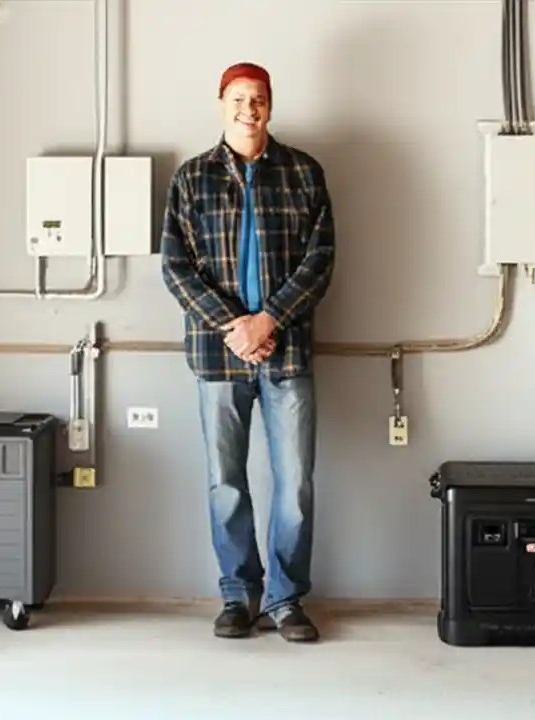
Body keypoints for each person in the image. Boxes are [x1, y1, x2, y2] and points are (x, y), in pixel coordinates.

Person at [160, 62, 336, 642]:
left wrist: (268, 320)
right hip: (218, 355)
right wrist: (234, 327)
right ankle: (238, 595)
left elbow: (320, 260)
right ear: (221, 104)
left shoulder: (303, 173)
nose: (248, 108)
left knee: (296, 486)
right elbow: (177, 268)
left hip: (287, 353)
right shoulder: (192, 178)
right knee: (225, 483)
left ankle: (286, 600)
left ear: (270, 105)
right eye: (237, 98)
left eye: (257, 98)